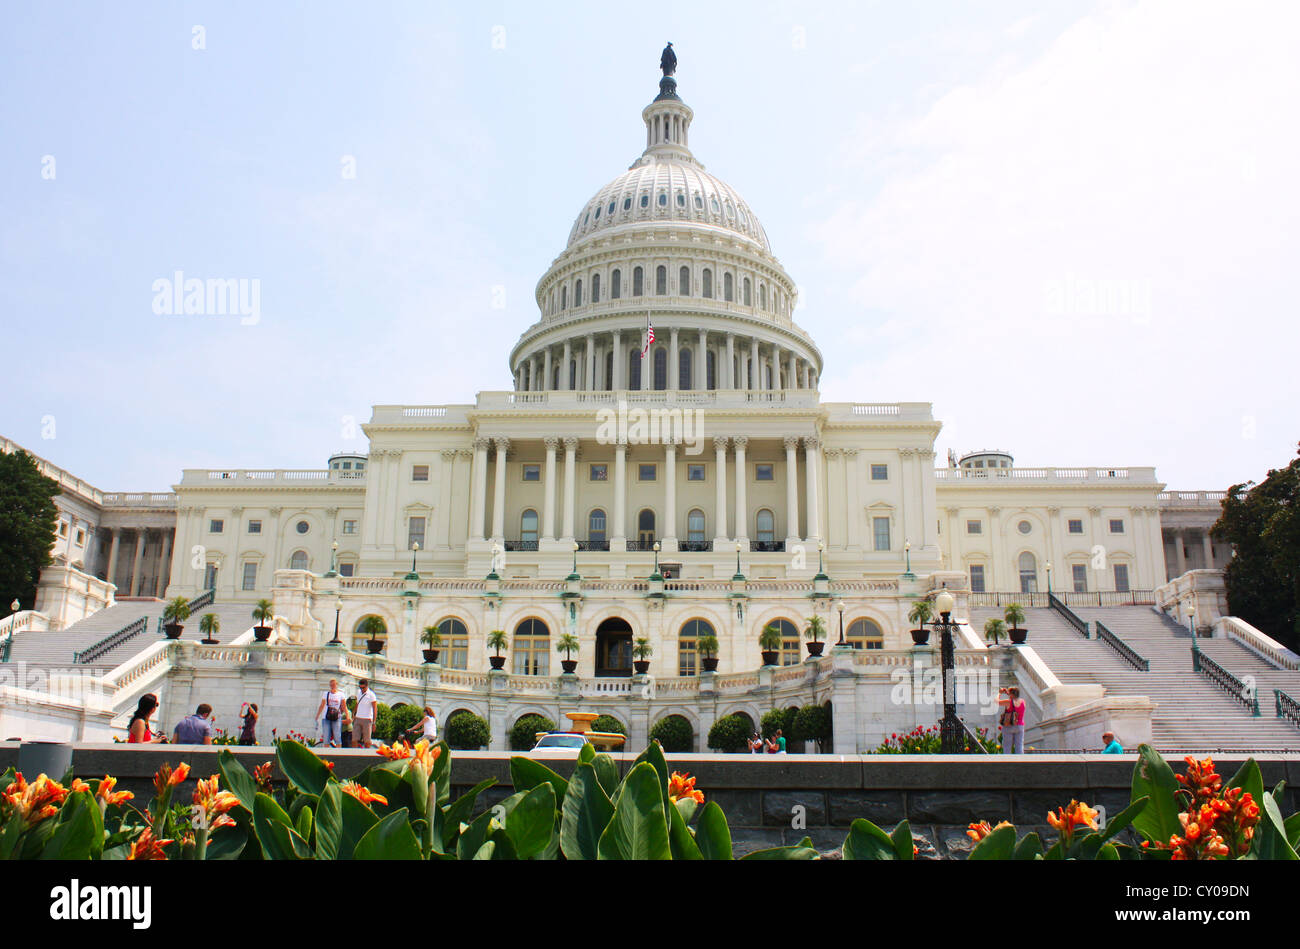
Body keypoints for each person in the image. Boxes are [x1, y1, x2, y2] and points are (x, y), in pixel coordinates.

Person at [316, 679, 346, 747]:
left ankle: (338, 752)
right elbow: (322, 705)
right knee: (326, 736)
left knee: (337, 736)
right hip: (326, 716)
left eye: (334, 684)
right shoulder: (326, 694)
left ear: (337, 685)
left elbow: (344, 706)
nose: (332, 686)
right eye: (331, 685)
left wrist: (347, 716)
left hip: (336, 717)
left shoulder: (341, 694)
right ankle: (327, 752)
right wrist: (317, 715)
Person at [997, 687, 1026, 754]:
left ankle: (1007, 762)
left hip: (1009, 725)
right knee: (1019, 746)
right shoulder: (1023, 702)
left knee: (1007, 746)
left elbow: (996, 701)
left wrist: (1000, 693)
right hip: (1020, 726)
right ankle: (1020, 762)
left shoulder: (1008, 702)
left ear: (1011, 694)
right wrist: (1009, 693)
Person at [354, 678, 378, 749]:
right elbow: (357, 703)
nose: (362, 689)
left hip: (367, 719)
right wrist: (354, 714)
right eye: (360, 687)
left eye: (363, 688)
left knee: (367, 740)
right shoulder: (358, 692)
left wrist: (374, 722)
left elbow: (375, 709)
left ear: (367, 686)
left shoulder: (371, 695)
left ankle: (367, 754)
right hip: (358, 718)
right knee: (354, 739)